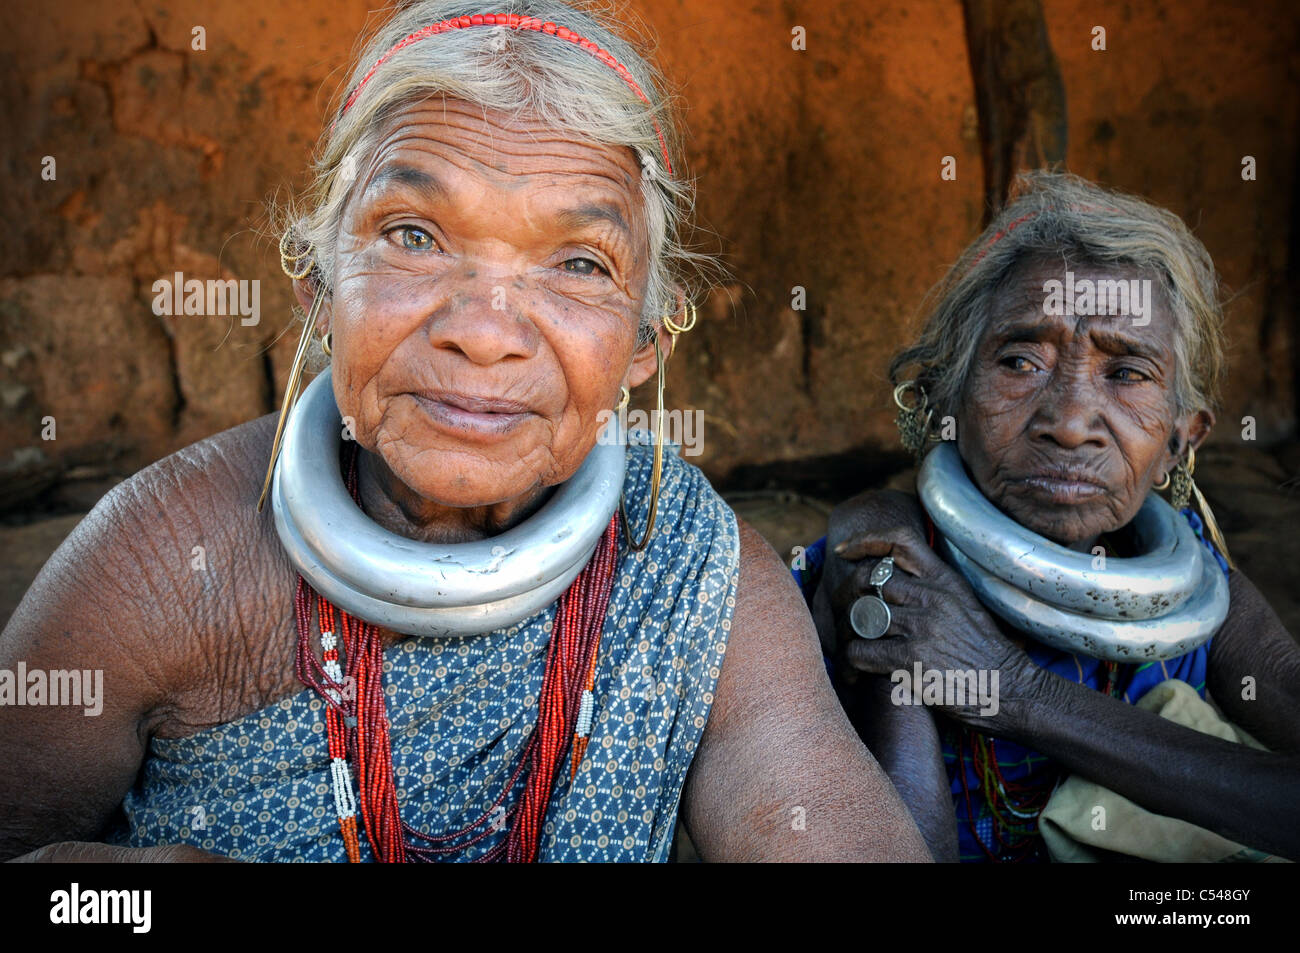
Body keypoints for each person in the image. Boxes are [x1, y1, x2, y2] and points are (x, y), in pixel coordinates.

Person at [0, 0, 928, 862]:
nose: (483, 332)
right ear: (317, 288)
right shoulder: (157, 561)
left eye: (577, 262)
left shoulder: (698, 580)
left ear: (646, 339)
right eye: (414, 234)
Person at [798, 171, 1300, 862]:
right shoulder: (879, 577)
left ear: (1182, 440)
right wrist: (897, 620)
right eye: (1021, 360)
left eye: (1126, 374)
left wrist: (1014, 691)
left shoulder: (1204, 602)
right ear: (940, 400)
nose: (1068, 423)